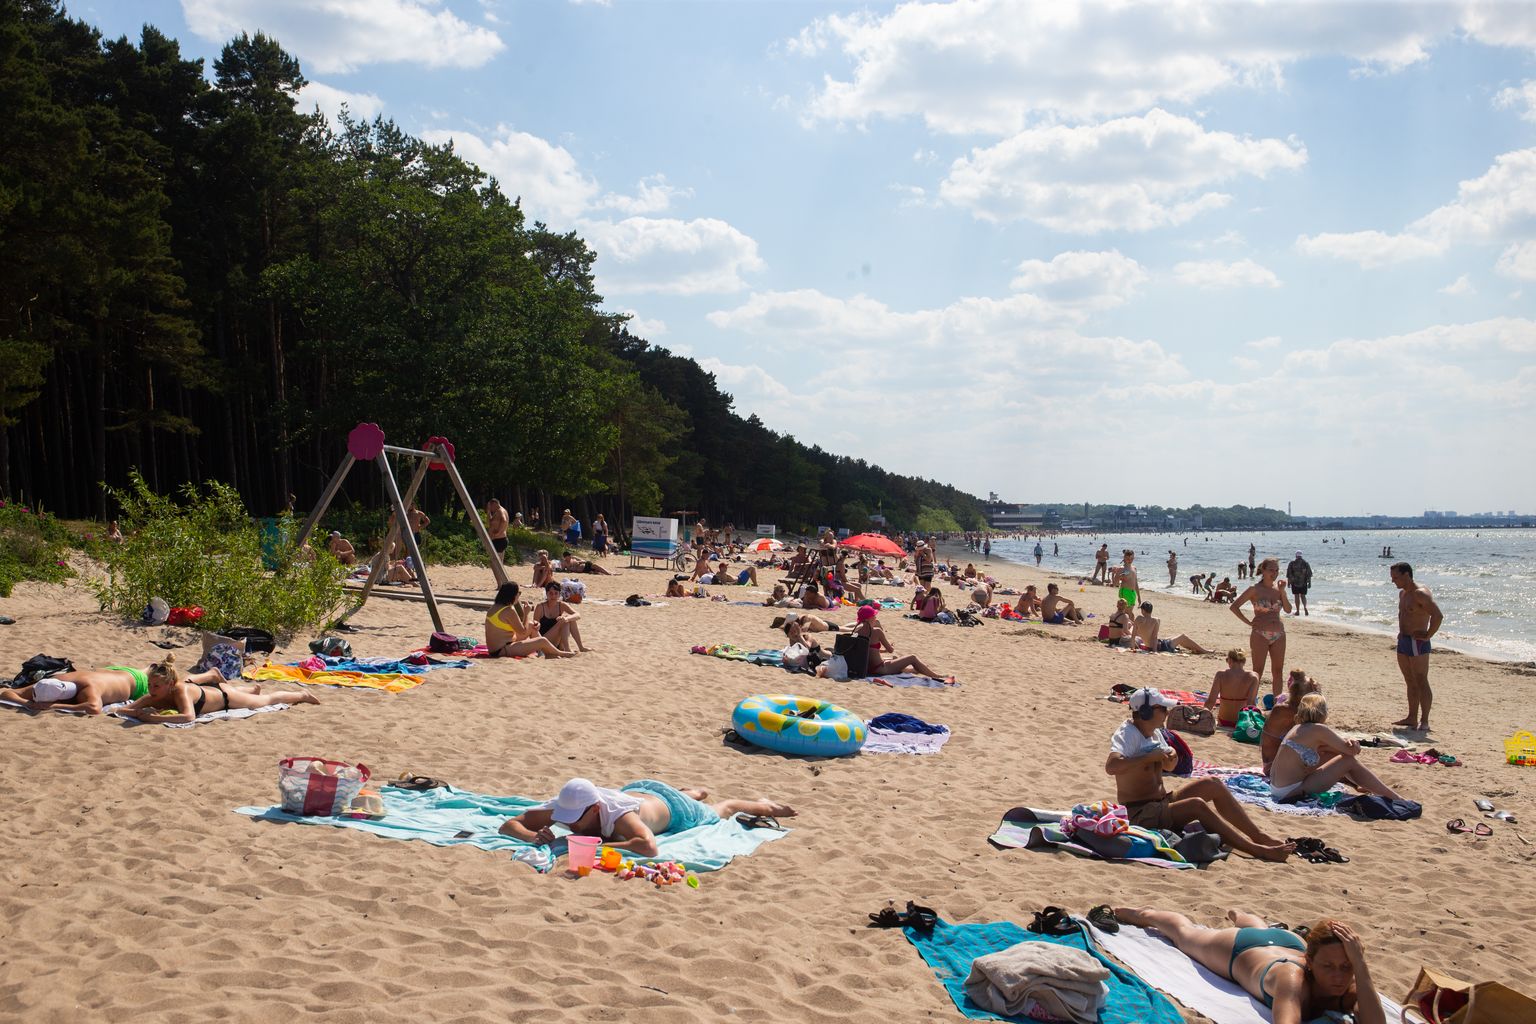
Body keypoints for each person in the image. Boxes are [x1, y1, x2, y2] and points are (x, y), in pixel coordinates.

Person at [1106, 689, 1293, 861]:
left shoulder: (1155, 733)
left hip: (1160, 802)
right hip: (1140, 812)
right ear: (1146, 712)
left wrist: (1170, 758)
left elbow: (1171, 767)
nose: (1167, 712)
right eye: (1163, 708)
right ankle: (1256, 850)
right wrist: (1148, 757)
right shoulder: (1127, 734)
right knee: (1196, 805)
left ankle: (1258, 836)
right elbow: (1112, 766)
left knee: (1213, 783)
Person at [1110, 910, 1386, 1024]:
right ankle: (1138, 912)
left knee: (1260, 927)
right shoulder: (1294, 979)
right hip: (1241, 949)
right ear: (1310, 963)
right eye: (1329, 966)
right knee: (1184, 933)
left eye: (1346, 966)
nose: (1338, 976)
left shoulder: (1349, 982)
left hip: (1290, 943)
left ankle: (1243, 916)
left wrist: (1360, 966)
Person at [499, 777, 796, 857]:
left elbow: (648, 846)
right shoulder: (568, 803)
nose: (571, 824)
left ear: (595, 810)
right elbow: (510, 823)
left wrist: (592, 848)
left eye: (577, 819)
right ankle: (690, 791)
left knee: (722, 811)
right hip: (638, 791)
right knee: (659, 803)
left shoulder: (618, 817)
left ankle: (765, 803)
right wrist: (532, 837)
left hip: (675, 810)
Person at [1271, 694, 1401, 802]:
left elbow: (1334, 749)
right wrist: (1353, 743)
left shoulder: (1298, 728)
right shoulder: (1319, 729)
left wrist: (1345, 744)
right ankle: (1394, 798)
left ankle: (1362, 785)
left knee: (1330, 755)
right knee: (1348, 760)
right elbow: (1353, 752)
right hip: (1290, 792)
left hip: (1277, 789)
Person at [114, 655, 317, 723]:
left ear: (169, 685)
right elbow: (122, 709)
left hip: (226, 698)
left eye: (156, 685)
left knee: (268, 700)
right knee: (191, 681)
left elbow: (188, 717)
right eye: (150, 685)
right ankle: (241, 687)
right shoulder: (154, 695)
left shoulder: (179, 691)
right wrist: (137, 712)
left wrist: (154, 718)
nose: (151, 689)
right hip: (207, 692)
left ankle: (301, 694)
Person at [1391, 561, 1442, 732]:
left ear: (1406, 575)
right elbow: (1403, 614)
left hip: (1417, 642)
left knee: (1421, 680)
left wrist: (1428, 635)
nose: (1393, 581)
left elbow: (1438, 615)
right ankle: (1411, 717)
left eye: (1396, 577)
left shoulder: (1421, 594)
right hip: (1404, 640)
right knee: (1409, 680)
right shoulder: (1402, 594)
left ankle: (1425, 720)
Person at [2, 663, 167, 714]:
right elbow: (7, 693)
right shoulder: (54, 680)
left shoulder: (88, 690)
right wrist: (26, 702)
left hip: (135, 683)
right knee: (146, 669)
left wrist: (53, 706)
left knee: (150, 674)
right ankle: (152, 665)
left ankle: (155, 666)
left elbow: (94, 708)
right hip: (114, 672)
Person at [1230, 557, 1292, 694]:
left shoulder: (1279, 589)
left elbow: (1288, 610)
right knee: (1258, 670)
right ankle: (1252, 702)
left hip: (1279, 634)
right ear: (1263, 570)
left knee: (1278, 671)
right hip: (1260, 634)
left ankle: (1277, 703)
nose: (1274, 573)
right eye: (1271, 570)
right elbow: (1234, 607)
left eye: (1276, 570)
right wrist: (1249, 622)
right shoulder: (1255, 589)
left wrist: (1282, 592)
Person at [484, 582, 575, 658]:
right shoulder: (509, 610)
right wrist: (526, 613)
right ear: (512, 595)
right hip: (502, 650)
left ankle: (545, 653)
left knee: (531, 625)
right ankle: (559, 653)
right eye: (518, 593)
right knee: (542, 641)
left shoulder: (494, 608)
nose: (519, 595)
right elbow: (522, 631)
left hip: (497, 647)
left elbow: (515, 628)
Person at [853, 605, 944, 679]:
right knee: (912, 658)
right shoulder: (876, 631)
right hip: (879, 669)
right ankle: (936, 676)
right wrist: (889, 646)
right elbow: (890, 650)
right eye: (874, 616)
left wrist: (881, 651)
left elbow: (866, 649)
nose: (875, 618)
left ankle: (914, 670)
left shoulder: (856, 632)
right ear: (869, 618)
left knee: (894, 658)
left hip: (865, 668)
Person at [1262, 670, 1321, 773]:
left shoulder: (1281, 708)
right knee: (1336, 757)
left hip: (1271, 764)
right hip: (1275, 768)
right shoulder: (1297, 712)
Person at [532, 580, 590, 653]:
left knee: (569, 619)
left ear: (559, 594)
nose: (553, 596)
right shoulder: (540, 607)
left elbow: (577, 615)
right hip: (544, 641)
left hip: (557, 642)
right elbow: (535, 630)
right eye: (550, 593)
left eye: (556, 593)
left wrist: (566, 618)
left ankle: (580, 647)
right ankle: (567, 649)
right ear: (546, 594)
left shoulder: (561, 605)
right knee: (562, 622)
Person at [1205, 649, 1260, 727]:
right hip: (1242, 722)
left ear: (1230, 660)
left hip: (1223, 720)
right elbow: (1250, 704)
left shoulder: (1220, 675)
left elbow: (1211, 701)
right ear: (1244, 662)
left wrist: (1202, 714)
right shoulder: (1254, 677)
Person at [1132, 602, 1210, 654]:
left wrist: (1133, 648)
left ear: (1142, 610)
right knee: (1183, 637)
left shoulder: (1138, 619)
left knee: (1172, 637)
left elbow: (1133, 635)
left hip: (1150, 646)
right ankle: (1204, 651)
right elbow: (1154, 637)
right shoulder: (1155, 620)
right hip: (1161, 647)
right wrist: (1155, 651)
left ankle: (1195, 649)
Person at [1286, 551, 1312, 616]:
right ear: (1301, 556)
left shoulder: (1292, 563)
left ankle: (1297, 611)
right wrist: (1309, 583)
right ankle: (1305, 607)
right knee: (1303, 596)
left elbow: (1289, 574)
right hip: (1304, 583)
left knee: (1296, 596)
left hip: (1294, 583)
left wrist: (1288, 583)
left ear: (1296, 556)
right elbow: (1309, 574)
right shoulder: (1306, 563)